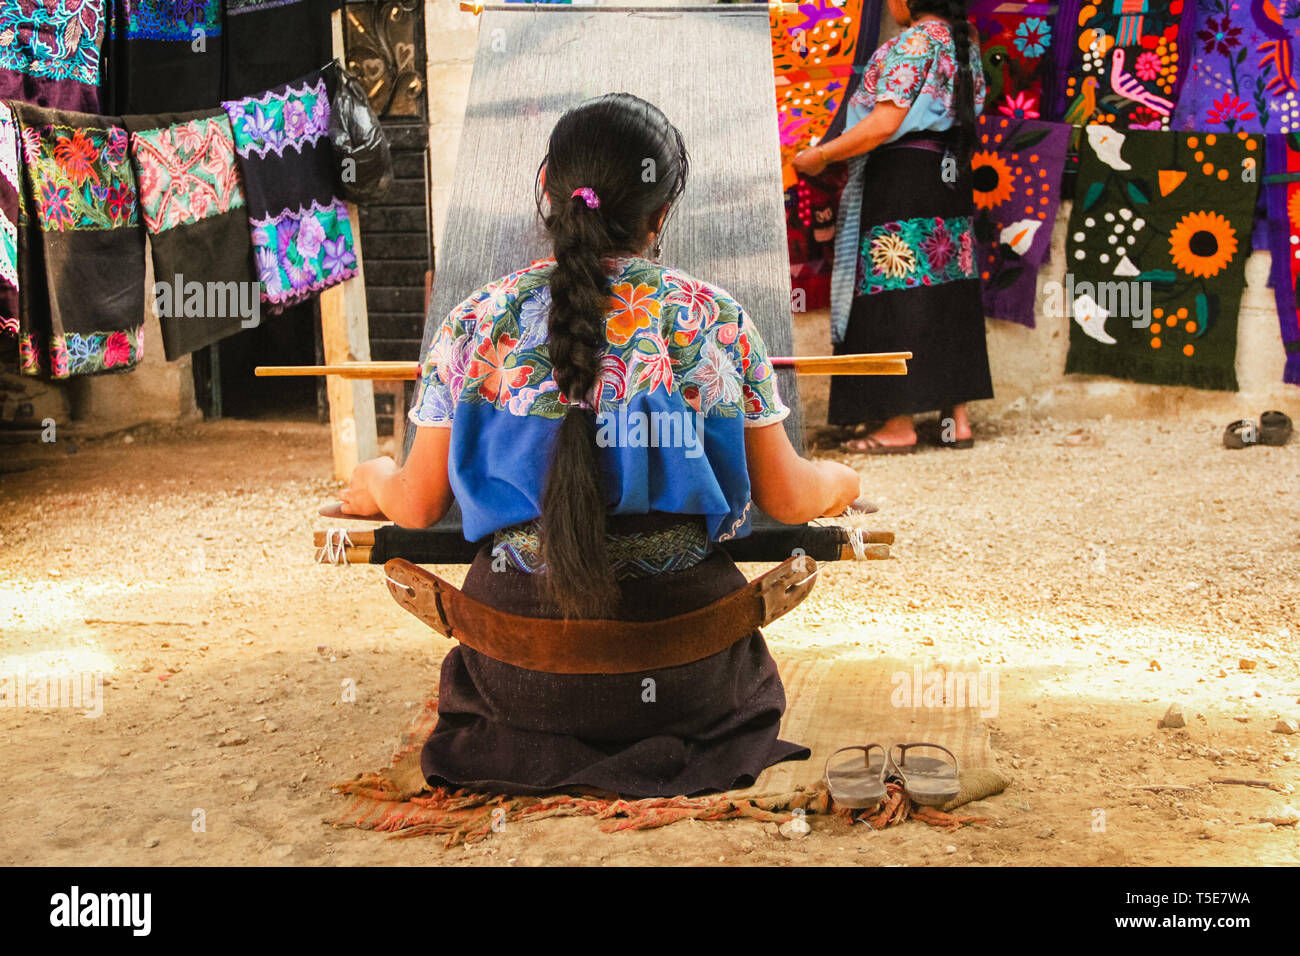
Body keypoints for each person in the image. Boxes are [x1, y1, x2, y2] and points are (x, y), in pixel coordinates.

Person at [339, 93, 861, 798]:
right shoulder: (713, 316)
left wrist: (373, 479)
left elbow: (416, 502)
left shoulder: (476, 320)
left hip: (519, 673)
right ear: (662, 214)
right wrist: (842, 479)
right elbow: (792, 499)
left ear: (547, 187)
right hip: (686, 670)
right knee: (736, 667)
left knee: (505, 668)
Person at [793, 0, 992, 453]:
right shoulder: (966, 46)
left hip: (903, 177)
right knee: (947, 290)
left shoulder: (911, 44)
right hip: (948, 175)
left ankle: (898, 425)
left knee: (893, 288)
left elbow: (884, 123)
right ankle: (955, 421)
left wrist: (822, 155)